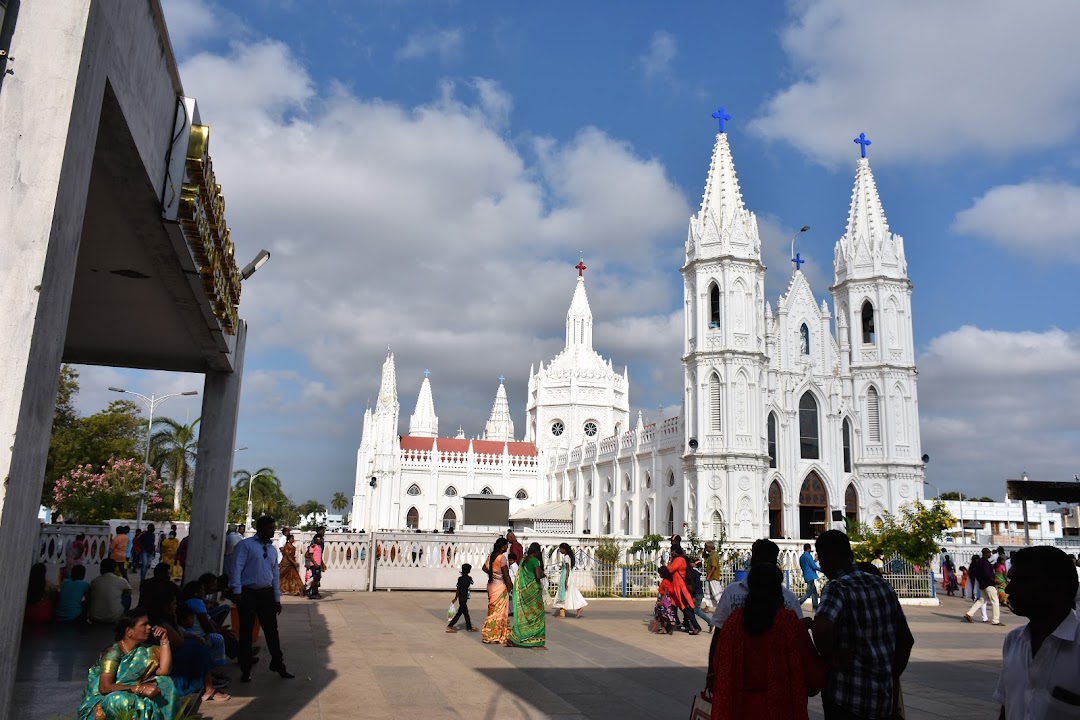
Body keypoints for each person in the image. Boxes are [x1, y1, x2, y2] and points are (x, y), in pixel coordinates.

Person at [812, 530, 914, 720]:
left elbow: (821, 627)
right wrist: (890, 676)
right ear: (850, 556)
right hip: (883, 702)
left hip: (848, 699)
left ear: (824, 558)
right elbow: (906, 639)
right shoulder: (882, 585)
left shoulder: (837, 587)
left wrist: (830, 656)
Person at [710, 563, 825, 719]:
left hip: (741, 708)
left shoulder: (735, 622)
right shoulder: (789, 623)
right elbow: (813, 677)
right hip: (781, 708)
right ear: (778, 590)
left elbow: (721, 665)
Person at [993, 545, 1080, 719]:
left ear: (1055, 587)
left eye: (1020, 580)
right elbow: (1007, 705)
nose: (1009, 589)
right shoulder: (1014, 641)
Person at [707, 539, 805, 689]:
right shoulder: (787, 606)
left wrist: (713, 673)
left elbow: (798, 639)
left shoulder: (736, 613)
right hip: (766, 681)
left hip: (755, 679)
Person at [77, 610, 181, 720]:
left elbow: (164, 671)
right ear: (129, 631)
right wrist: (139, 688)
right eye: (144, 624)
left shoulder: (144, 650)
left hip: (132, 691)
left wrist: (164, 640)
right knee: (118, 700)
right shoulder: (113, 653)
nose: (150, 627)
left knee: (165, 682)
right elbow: (104, 687)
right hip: (106, 698)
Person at [230, 515, 294, 682]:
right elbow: (236, 568)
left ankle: (278, 664)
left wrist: (277, 598)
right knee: (246, 632)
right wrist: (236, 591)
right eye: (270, 528)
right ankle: (245, 669)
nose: (273, 531)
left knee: (272, 630)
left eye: (273, 527)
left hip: (266, 594)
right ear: (260, 529)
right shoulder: (246, 546)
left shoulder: (272, 550)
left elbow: (275, 575)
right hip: (248, 592)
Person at [508, 542, 546, 648]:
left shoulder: (523, 561)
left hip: (525, 592)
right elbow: (537, 576)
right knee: (537, 616)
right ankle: (536, 642)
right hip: (534, 593)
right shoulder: (535, 561)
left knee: (525, 616)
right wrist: (543, 574)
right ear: (537, 551)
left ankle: (514, 637)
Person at [481, 537, 512, 644]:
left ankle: (493, 634)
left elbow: (484, 568)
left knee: (493, 609)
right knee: (499, 611)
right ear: (503, 546)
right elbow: (506, 575)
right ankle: (493, 634)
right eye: (506, 545)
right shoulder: (502, 558)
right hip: (499, 586)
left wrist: (493, 573)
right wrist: (510, 586)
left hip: (491, 585)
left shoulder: (491, 556)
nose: (508, 547)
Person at [667, 544, 701, 635]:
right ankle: (672, 625)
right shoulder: (680, 559)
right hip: (675, 588)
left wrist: (668, 563)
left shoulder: (679, 560)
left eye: (672, 551)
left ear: (674, 551)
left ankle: (696, 626)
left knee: (685, 608)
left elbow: (669, 570)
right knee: (673, 606)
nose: (671, 553)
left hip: (680, 588)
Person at [964, 547, 1002, 626]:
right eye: (989, 553)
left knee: (981, 600)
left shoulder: (980, 562)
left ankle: (969, 613)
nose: (990, 554)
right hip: (989, 584)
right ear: (986, 553)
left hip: (983, 584)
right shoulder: (985, 563)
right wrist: (994, 581)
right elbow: (987, 574)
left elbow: (977, 574)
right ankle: (995, 620)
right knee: (995, 601)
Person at [89, 559, 133, 624]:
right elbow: (129, 591)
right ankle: (123, 616)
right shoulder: (121, 581)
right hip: (114, 617)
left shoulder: (95, 581)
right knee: (127, 596)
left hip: (94, 617)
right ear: (114, 568)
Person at [553, 542, 588, 619]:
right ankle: (578, 606)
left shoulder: (566, 557)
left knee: (563, 592)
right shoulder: (568, 556)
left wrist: (566, 579)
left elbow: (567, 568)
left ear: (564, 549)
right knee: (570, 592)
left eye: (561, 549)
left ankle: (562, 613)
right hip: (568, 575)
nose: (560, 550)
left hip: (566, 575)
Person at [447, 563, 477, 633]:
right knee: (459, 613)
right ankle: (450, 626)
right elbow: (472, 583)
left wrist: (455, 598)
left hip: (461, 597)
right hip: (465, 598)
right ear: (469, 571)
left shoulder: (460, 579)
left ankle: (469, 627)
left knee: (466, 613)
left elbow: (458, 588)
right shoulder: (469, 578)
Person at [687, 557, 711, 631]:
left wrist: (693, 596)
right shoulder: (697, 572)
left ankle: (710, 622)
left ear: (695, 564)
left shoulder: (694, 573)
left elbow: (694, 585)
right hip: (698, 593)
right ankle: (692, 625)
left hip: (696, 594)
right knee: (691, 609)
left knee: (696, 610)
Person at [654, 567, 679, 634]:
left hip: (663, 598)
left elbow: (666, 591)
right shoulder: (667, 580)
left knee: (661, 613)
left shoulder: (665, 581)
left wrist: (662, 600)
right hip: (665, 598)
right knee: (665, 613)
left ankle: (664, 628)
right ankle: (666, 627)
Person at [799, 544, 823, 610]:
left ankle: (815, 606)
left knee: (814, 592)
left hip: (806, 575)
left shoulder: (801, 557)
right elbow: (813, 566)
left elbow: (806, 565)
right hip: (810, 575)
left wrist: (815, 561)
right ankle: (798, 603)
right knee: (809, 592)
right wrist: (822, 569)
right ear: (809, 549)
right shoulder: (808, 556)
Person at [704, 542, 723, 610]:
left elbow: (714, 566)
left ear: (709, 547)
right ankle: (707, 606)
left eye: (706, 547)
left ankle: (722, 607)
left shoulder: (714, 555)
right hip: (711, 577)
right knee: (708, 592)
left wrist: (709, 575)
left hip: (713, 577)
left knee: (716, 593)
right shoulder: (711, 555)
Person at [305, 535, 325, 600]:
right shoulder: (312, 546)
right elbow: (311, 556)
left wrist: (322, 564)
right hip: (314, 565)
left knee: (318, 579)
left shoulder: (319, 547)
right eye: (319, 539)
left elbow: (320, 557)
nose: (320, 540)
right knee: (315, 579)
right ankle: (309, 590)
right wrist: (315, 563)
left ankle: (313, 592)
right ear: (315, 539)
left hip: (318, 565)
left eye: (321, 539)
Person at [507, 551, 519, 618]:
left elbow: (516, 575)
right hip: (511, 583)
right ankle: (511, 610)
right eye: (509, 560)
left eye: (511, 560)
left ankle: (513, 610)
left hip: (513, 584)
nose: (510, 561)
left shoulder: (514, 566)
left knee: (513, 598)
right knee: (510, 598)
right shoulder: (511, 566)